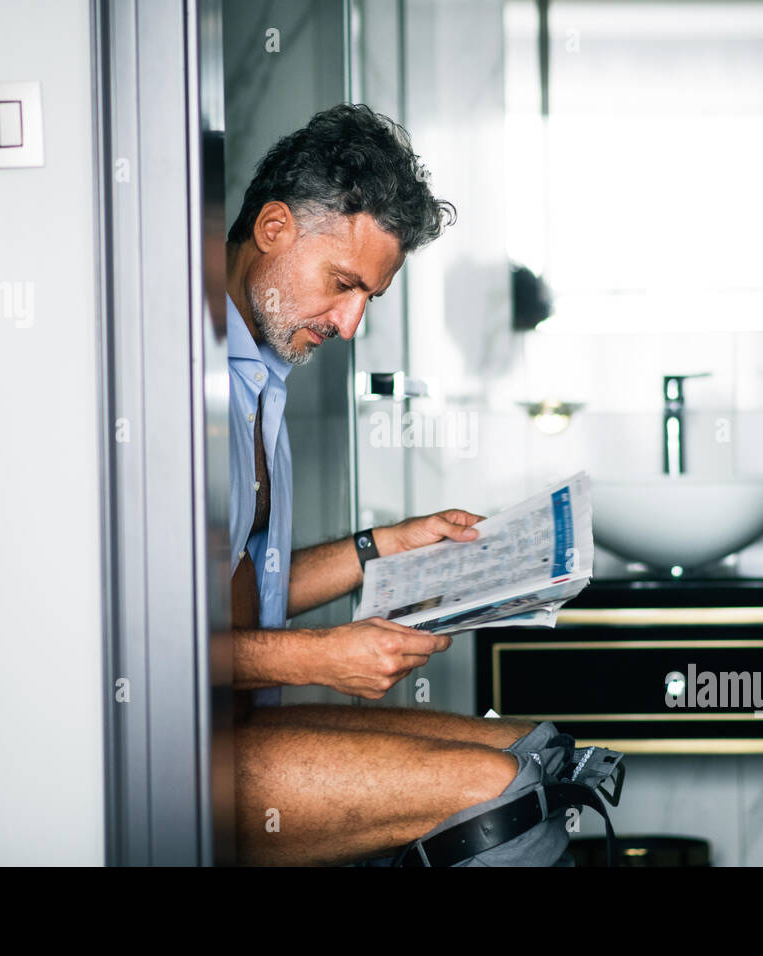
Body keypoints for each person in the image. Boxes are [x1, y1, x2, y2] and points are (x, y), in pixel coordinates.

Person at [227, 103, 539, 865]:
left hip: (239, 724)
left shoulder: (262, 376)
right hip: (166, 750)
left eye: (368, 296)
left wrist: (385, 547)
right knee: (500, 795)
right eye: (342, 283)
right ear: (275, 228)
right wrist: (319, 659)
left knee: (542, 752)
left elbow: (240, 589)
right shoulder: (176, 379)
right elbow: (132, 646)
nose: (350, 323)